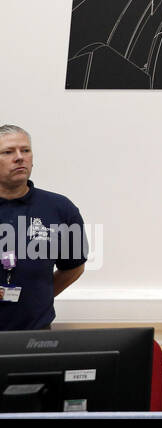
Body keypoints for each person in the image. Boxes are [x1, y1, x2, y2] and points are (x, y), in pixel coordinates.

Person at [0, 125, 86, 330]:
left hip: (35, 335)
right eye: (8, 152)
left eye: (25, 150)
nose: (20, 157)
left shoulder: (60, 208)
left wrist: (37, 297)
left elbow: (73, 267)